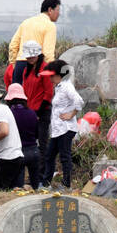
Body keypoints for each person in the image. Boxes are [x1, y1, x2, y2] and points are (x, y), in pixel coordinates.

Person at [11, 40, 54, 165]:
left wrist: (39, 112)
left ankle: (42, 175)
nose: (30, 58)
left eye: (32, 56)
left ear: (38, 55)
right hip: (29, 111)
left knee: (42, 143)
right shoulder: (26, 70)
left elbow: (48, 94)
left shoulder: (45, 70)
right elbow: (25, 91)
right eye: (28, 56)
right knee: (28, 143)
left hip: (42, 111)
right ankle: (31, 171)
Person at [43, 61, 83, 190]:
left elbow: (79, 101)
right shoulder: (59, 87)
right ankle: (46, 183)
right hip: (57, 130)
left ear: (59, 75)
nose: (50, 79)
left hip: (66, 128)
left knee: (64, 156)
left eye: (52, 76)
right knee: (49, 155)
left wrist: (71, 114)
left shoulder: (66, 86)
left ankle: (66, 184)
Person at [3, 83, 41, 189]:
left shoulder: (9, 114)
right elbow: (37, 133)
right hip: (34, 151)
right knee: (36, 187)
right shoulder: (32, 113)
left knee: (18, 188)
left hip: (18, 153)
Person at [0, 89, 24, 190]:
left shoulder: (0, 110)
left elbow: (4, 131)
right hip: (12, 157)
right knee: (6, 191)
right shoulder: (2, 109)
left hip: (9, 158)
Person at [7, 0, 61, 64]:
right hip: (35, 66)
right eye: (58, 10)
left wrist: (13, 64)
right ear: (50, 10)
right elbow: (48, 53)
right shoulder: (50, 25)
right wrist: (50, 69)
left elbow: (13, 45)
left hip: (19, 64)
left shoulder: (26, 22)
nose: (59, 13)